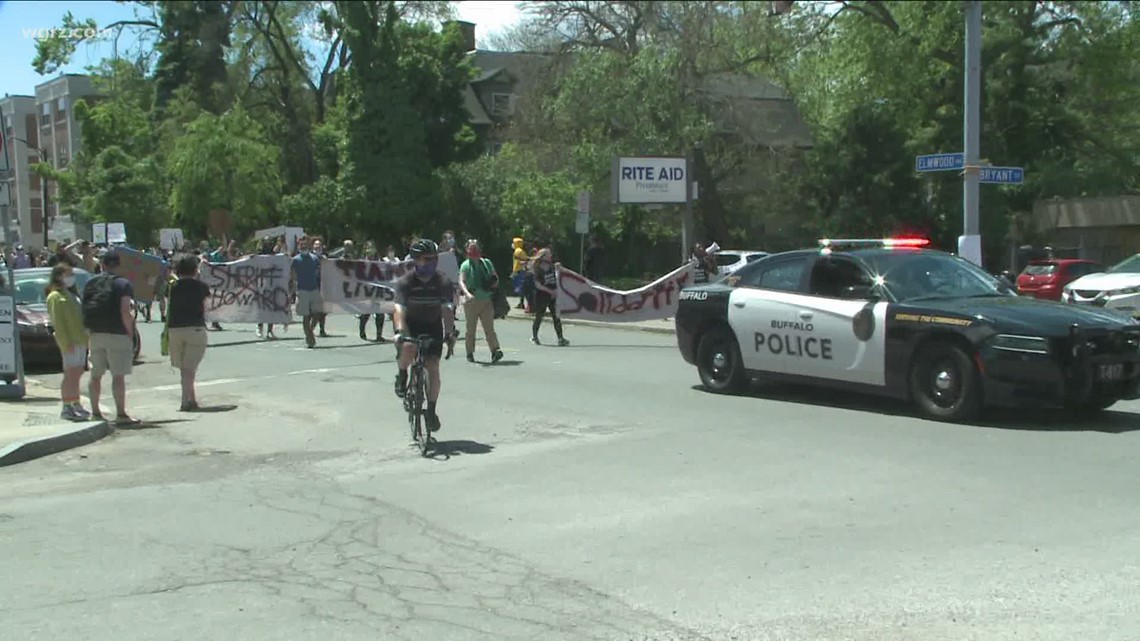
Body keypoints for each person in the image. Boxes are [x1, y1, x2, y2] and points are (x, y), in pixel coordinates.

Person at [393, 239, 457, 432]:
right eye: (426, 259)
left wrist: (450, 333)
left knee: (433, 366)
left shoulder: (442, 281)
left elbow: (447, 310)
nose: (431, 262)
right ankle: (403, 374)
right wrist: (400, 333)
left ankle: (431, 410)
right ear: (416, 261)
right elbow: (399, 310)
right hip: (410, 323)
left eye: (434, 259)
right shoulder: (406, 282)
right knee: (408, 346)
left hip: (432, 324)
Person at [81, 249, 140, 425]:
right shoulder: (123, 284)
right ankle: (121, 414)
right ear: (118, 265)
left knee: (95, 375)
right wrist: (130, 332)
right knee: (118, 376)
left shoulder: (90, 283)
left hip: (95, 333)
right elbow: (125, 311)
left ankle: (95, 412)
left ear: (103, 264)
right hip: (117, 333)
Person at [44, 263, 90, 420]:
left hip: (80, 339)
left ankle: (75, 402)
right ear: (58, 276)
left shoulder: (71, 293)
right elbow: (58, 322)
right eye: (67, 274)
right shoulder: (55, 296)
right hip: (70, 341)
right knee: (70, 374)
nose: (71, 277)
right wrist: (65, 343)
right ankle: (66, 407)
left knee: (77, 373)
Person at [166, 254, 211, 411]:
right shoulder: (201, 287)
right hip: (195, 328)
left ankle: (191, 399)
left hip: (174, 330)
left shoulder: (172, 286)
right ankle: (186, 401)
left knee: (185, 369)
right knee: (189, 368)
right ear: (195, 270)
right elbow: (208, 305)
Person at [458, 239, 504, 364]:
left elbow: (495, 277)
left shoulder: (486, 263)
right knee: (471, 328)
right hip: (471, 301)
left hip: (486, 300)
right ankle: (469, 352)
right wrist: (467, 294)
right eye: (471, 249)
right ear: (467, 251)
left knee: (489, 327)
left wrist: (493, 283)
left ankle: (495, 350)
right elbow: (461, 281)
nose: (474, 252)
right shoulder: (465, 265)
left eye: (476, 249)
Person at [530, 248, 570, 346]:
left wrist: (560, 268)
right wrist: (550, 291)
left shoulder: (552, 267)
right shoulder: (537, 268)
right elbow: (538, 285)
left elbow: (561, 275)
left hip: (553, 296)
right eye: (548, 254)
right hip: (541, 295)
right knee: (539, 316)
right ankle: (535, 337)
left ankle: (560, 338)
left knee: (556, 317)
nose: (550, 256)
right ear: (543, 256)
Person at [290, 237, 323, 348]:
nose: (303, 246)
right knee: (306, 316)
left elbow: (319, 271)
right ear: (299, 246)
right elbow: (292, 275)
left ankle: (310, 330)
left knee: (317, 313)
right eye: (301, 245)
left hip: (314, 289)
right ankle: (309, 337)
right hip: (302, 290)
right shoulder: (295, 260)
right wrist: (293, 290)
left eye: (305, 244)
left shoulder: (314, 258)